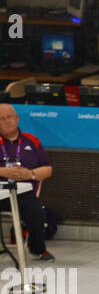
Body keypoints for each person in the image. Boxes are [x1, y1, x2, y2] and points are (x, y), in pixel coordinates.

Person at [0, 102, 54, 261]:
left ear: (16, 118)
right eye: (1, 119)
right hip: (0, 193)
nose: (6, 121)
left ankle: (37, 248)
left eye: (9, 117)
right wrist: (2, 171)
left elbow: (48, 169)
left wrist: (29, 174)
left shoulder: (32, 141)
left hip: (23, 193)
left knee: (37, 213)